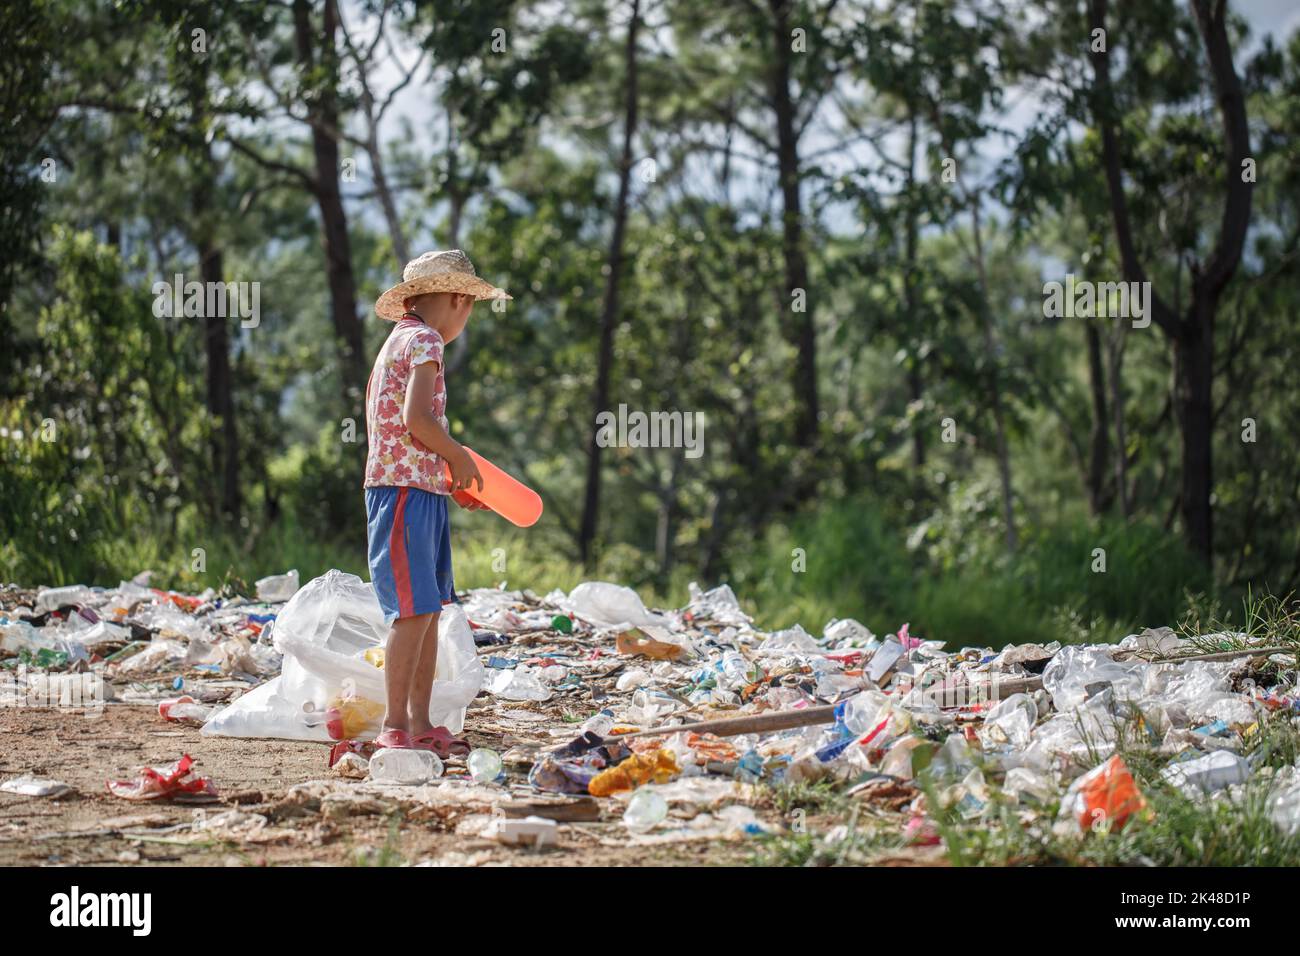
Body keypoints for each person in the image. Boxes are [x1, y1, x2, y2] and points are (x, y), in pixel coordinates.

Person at [363, 249, 511, 754]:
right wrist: (460, 458)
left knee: (425, 610)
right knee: (411, 613)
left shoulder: (398, 341)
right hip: (402, 495)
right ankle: (396, 724)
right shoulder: (425, 340)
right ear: (456, 299)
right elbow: (417, 421)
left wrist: (450, 478)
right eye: (469, 307)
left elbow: (410, 438)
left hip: (418, 490)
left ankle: (420, 721)